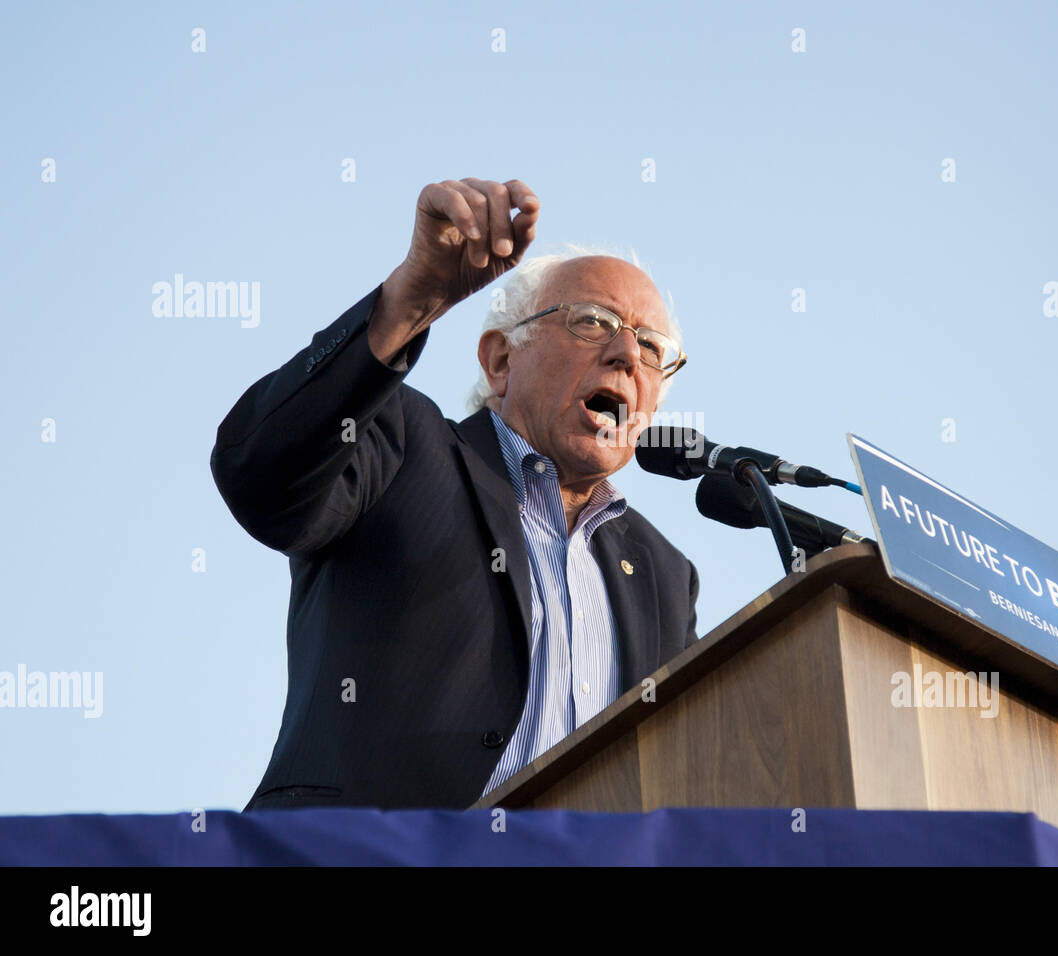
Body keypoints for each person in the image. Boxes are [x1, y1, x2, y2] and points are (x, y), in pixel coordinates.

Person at [210, 177, 700, 810]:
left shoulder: (665, 576)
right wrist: (408, 301)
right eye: (592, 322)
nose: (627, 355)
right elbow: (259, 472)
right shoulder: (404, 444)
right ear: (499, 361)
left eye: (653, 349)